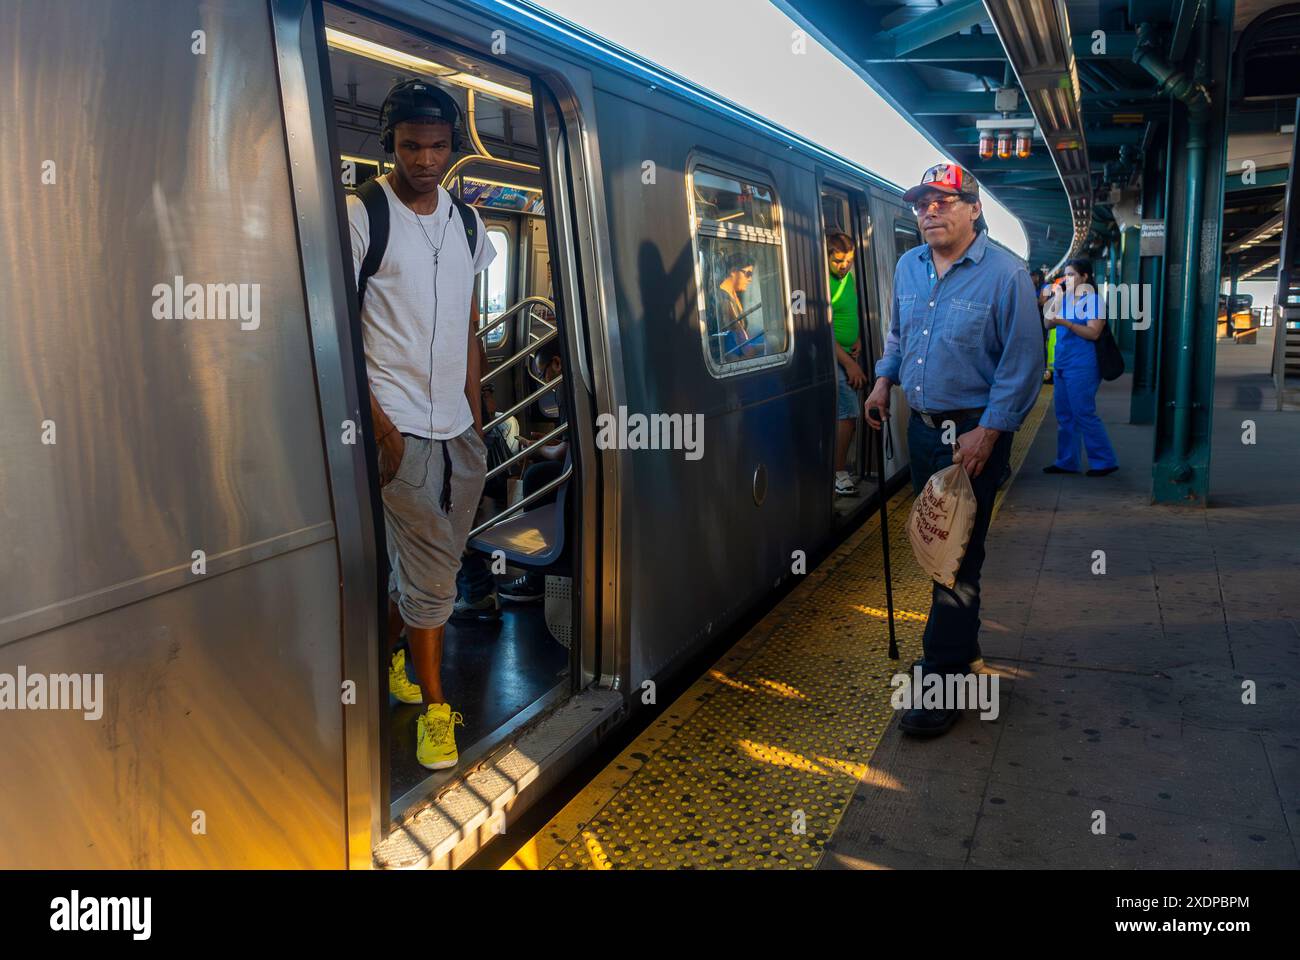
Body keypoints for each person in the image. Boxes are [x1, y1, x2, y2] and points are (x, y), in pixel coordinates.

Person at [864, 162, 1042, 739]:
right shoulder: (909, 265)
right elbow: (898, 333)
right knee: (934, 547)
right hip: (922, 428)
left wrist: (989, 432)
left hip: (971, 434)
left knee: (957, 558)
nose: (929, 212)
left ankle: (942, 680)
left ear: (974, 209)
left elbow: (1022, 365)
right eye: (922, 204)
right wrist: (884, 379)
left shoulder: (1007, 275)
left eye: (943, 201)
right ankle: (958, 650)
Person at [348, 78, 496, 771]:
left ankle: (391, 664)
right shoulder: (361, 216)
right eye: (411, 145)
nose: (425, 159)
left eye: (438, 147)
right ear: (392, 144)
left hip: (457, 430)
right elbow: (340, 331)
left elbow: (468, 326)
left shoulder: (470, 225)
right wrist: (378, 425)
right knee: (437, 574)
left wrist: (478, 412)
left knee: (424, 568)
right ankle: (437, 711)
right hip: (398, 428)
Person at [498, 337, 569, 603]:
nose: (543, 380)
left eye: (543, 373)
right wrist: (544, 442)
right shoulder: (569, 384)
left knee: (536, 475)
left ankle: (536, 577)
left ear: (557, 363)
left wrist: (537, 449)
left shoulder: (565, 390)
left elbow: (563, 452)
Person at [1042, 258, 1119, 477]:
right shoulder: (1064, 298)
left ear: (1085, 277)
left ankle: (1104, 461)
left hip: (1083, 365)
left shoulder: (1093, 300)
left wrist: (1066, 323)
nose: (1068, 279)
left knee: (1083, 412)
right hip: (1063, 364)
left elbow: (1093, 333)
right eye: (1066, 275)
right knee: (1065, 414)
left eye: (1072, 274)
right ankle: (1066, 461)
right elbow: (1047, 323)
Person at [828, 232, 867, 496]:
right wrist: (849, 364)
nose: (844, 265)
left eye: (849, 260)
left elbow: (850, 312)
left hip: (849, 353)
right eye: (838, 260)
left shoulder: (848, 278)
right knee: (847, 414)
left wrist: (859, 340)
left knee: (849, 414)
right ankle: (838, 472)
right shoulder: (823, 282)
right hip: (836, 358)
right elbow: (823, 328)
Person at [712, 252, 762, 362]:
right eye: (748, 274)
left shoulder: (731, 294)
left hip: (739, 347)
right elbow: (741, 339)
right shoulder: (725, 300)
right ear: (733, 271)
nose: (750, 279)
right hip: (735, 352)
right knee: (773, 341)